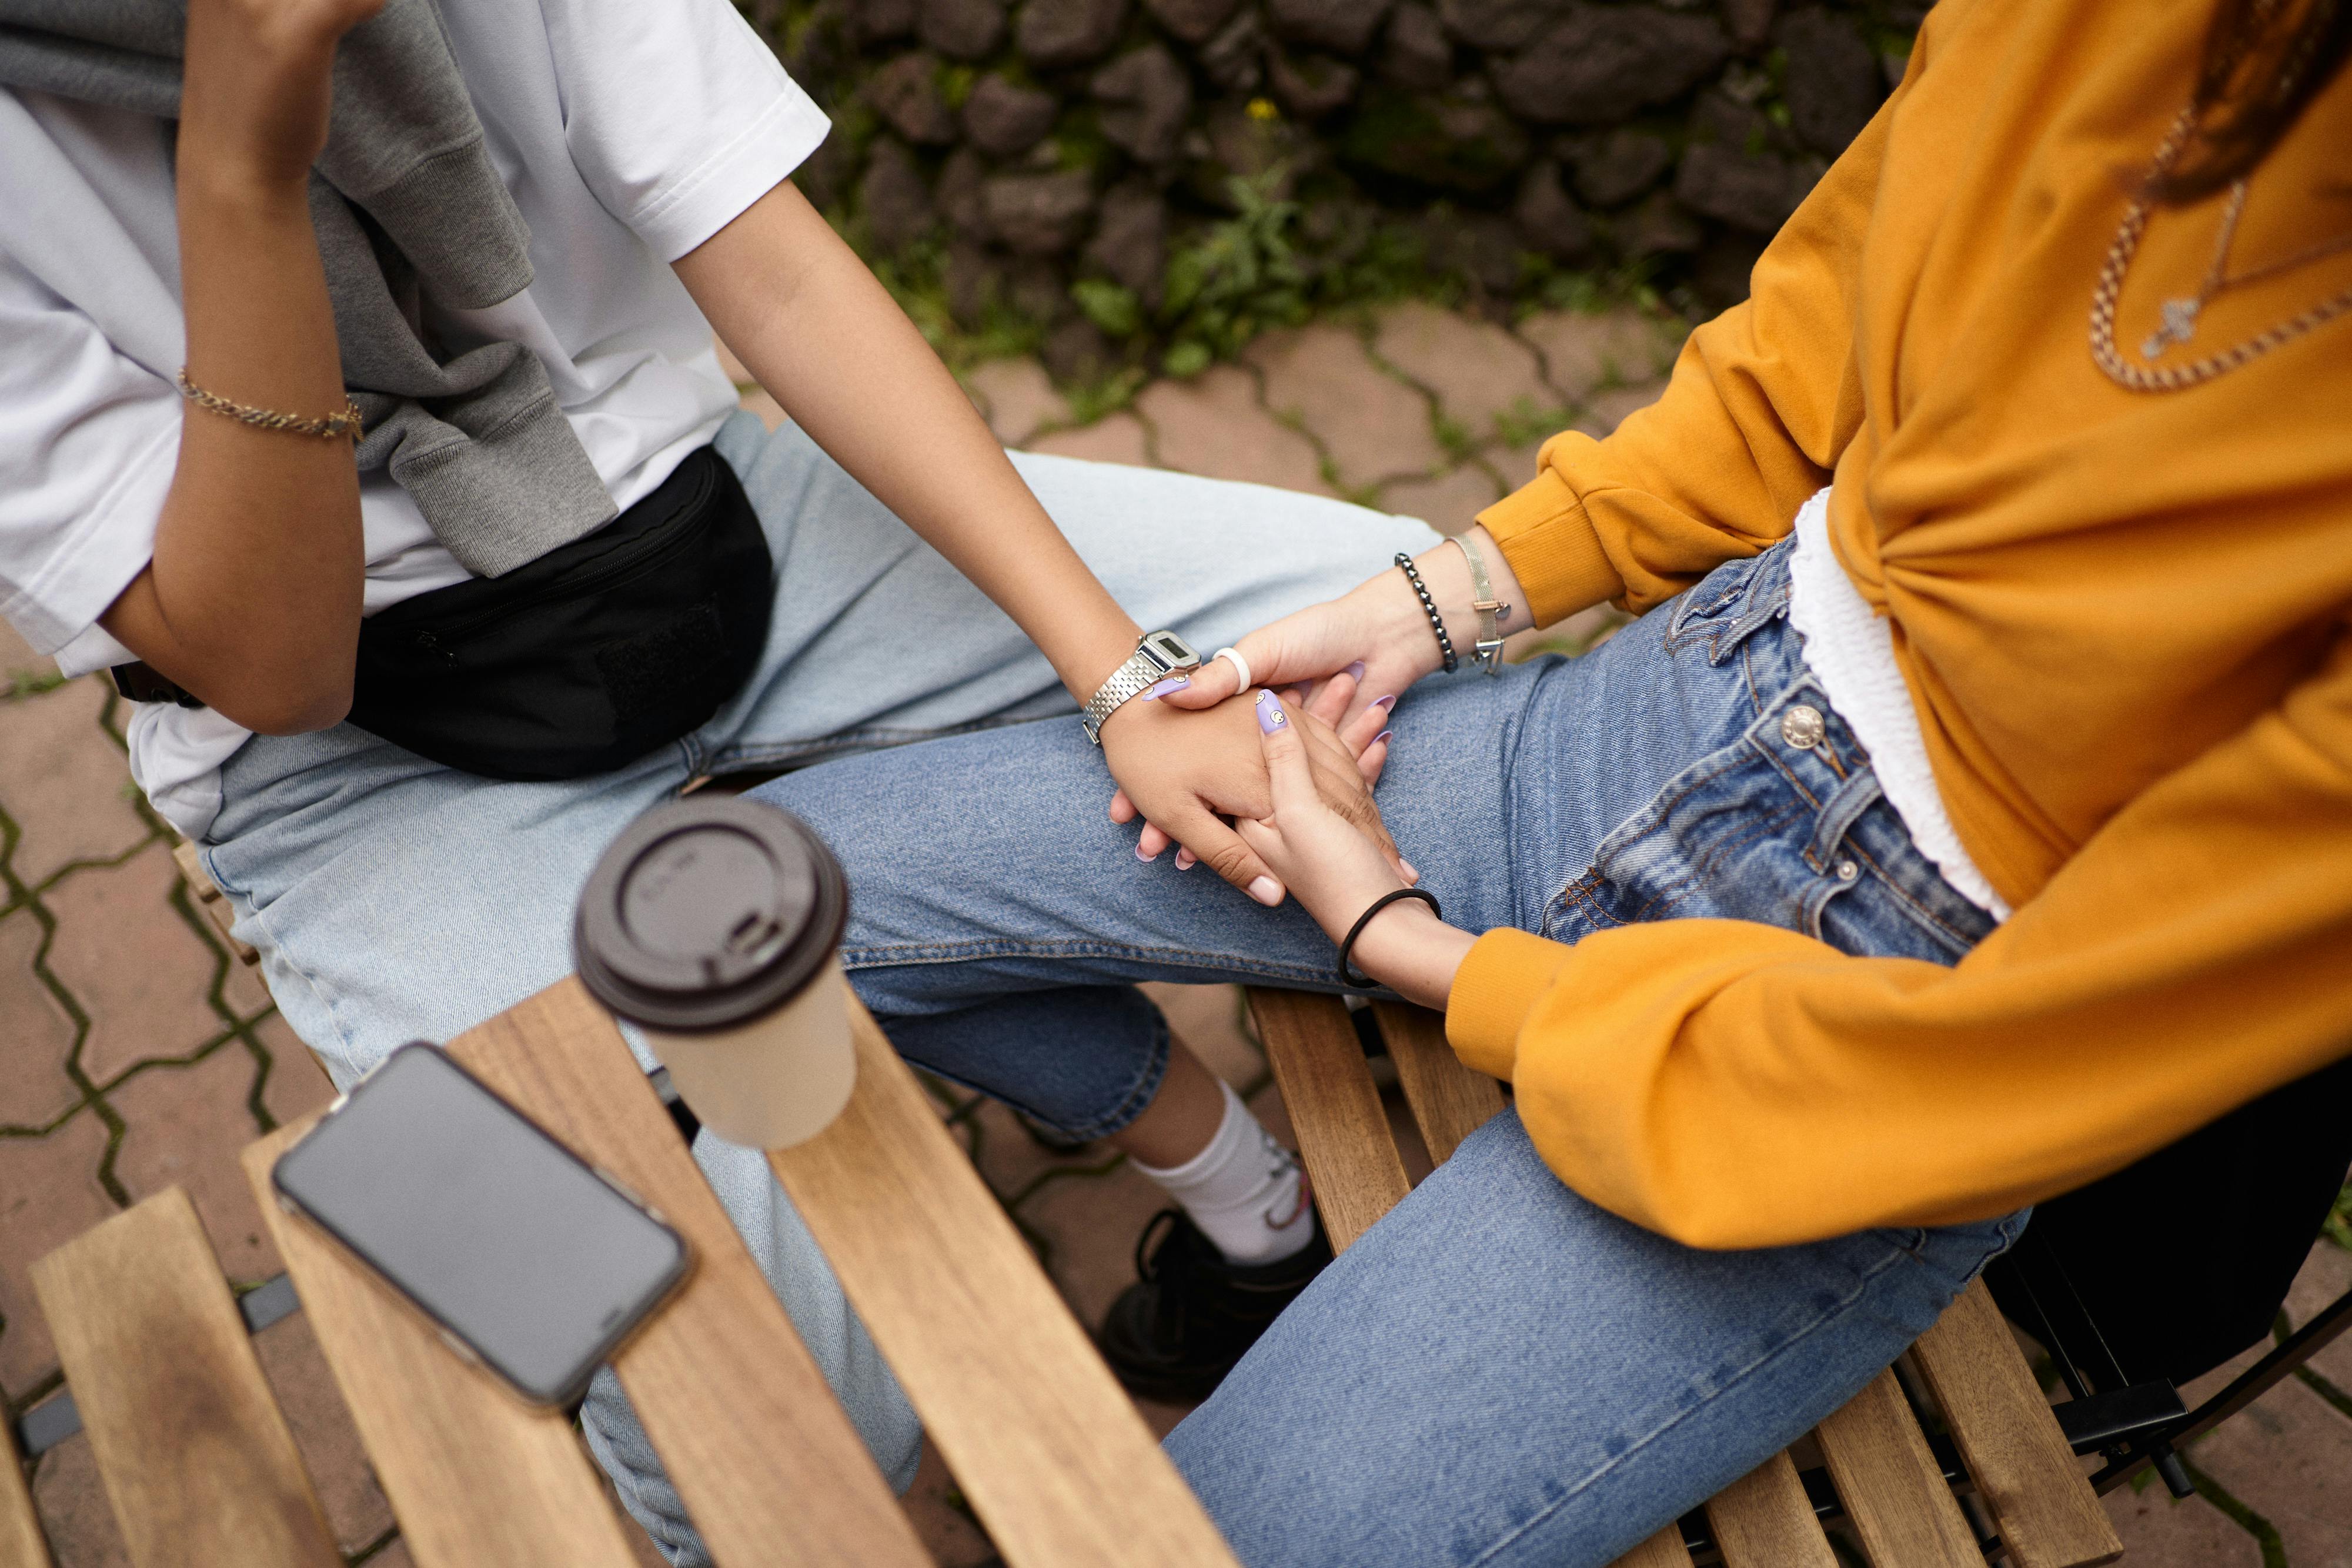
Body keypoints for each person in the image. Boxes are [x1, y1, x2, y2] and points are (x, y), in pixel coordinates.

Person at [726, 0, 2352, 1560]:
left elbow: (1984, 1081)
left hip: (1850, 1045)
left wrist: (1411, 946)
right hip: (1673, 703)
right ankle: (1252, 1212)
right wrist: (1427, 607)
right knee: (779, 893)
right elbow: (1817, 341)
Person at [0, 0, 1439, 1546]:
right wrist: (242, 172)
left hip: (708, 527)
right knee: (763, 1423)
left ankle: (931, 962)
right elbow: (280, 670)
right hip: (349, 747)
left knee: (1386, 640)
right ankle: (861, 961)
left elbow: (775, 263)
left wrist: (1124, 678)